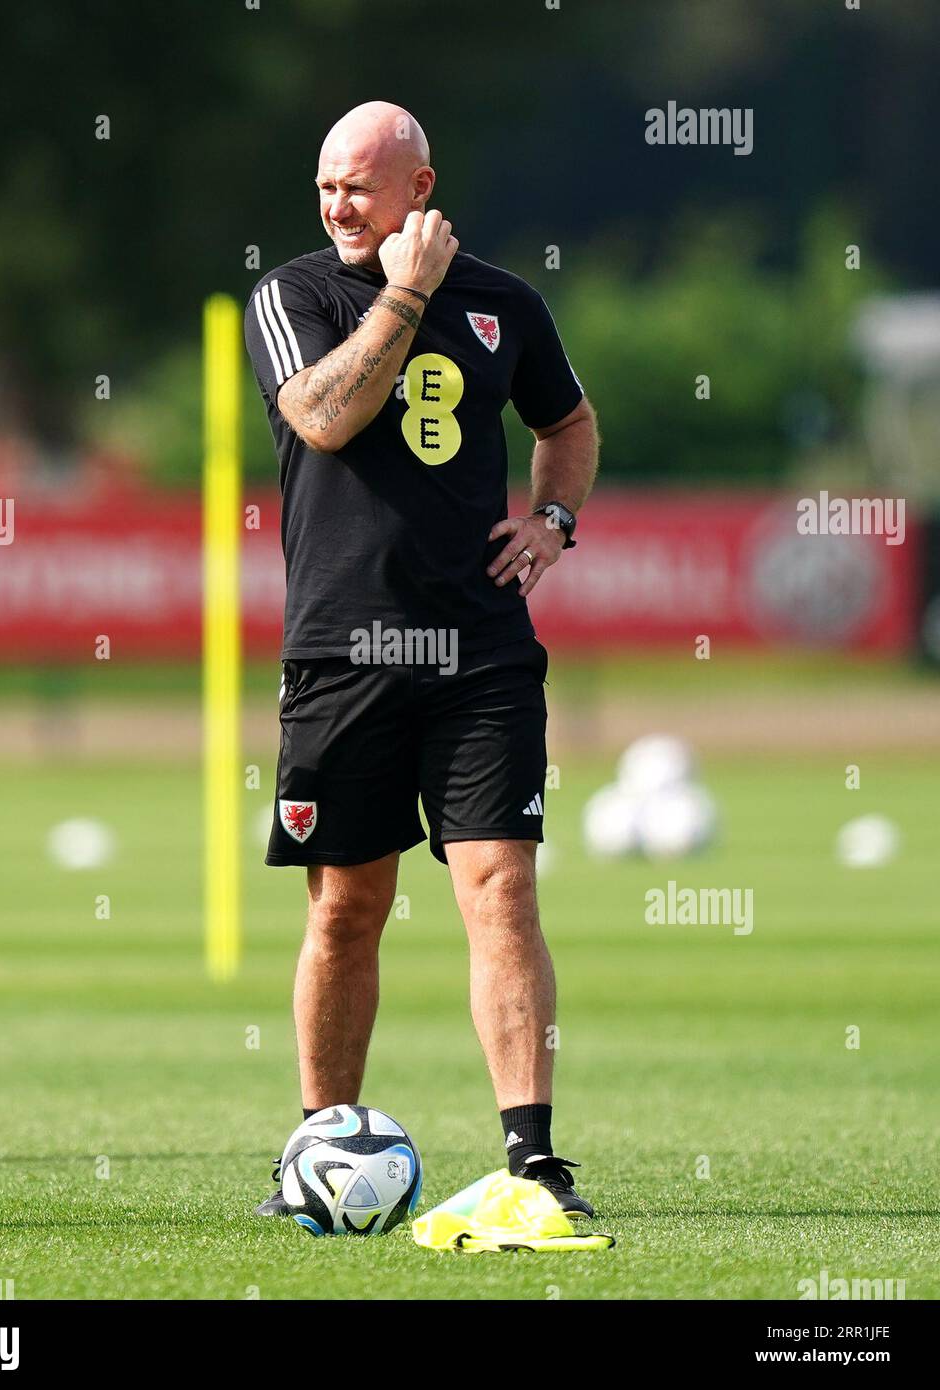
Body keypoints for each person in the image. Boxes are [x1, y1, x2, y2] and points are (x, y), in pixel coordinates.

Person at [244, 100, 600, 1217]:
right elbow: (321, 416)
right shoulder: (295, 294)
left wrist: (552, 524)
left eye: (359, 184)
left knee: (500, 889)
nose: (339, 205)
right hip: (343, 648)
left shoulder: (505, 302)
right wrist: (404, 295)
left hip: (481, 650)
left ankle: (532, 1159)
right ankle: (319, 1144)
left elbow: (570, 424)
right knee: (346, 903)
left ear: (419, 186)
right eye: (326, 187)